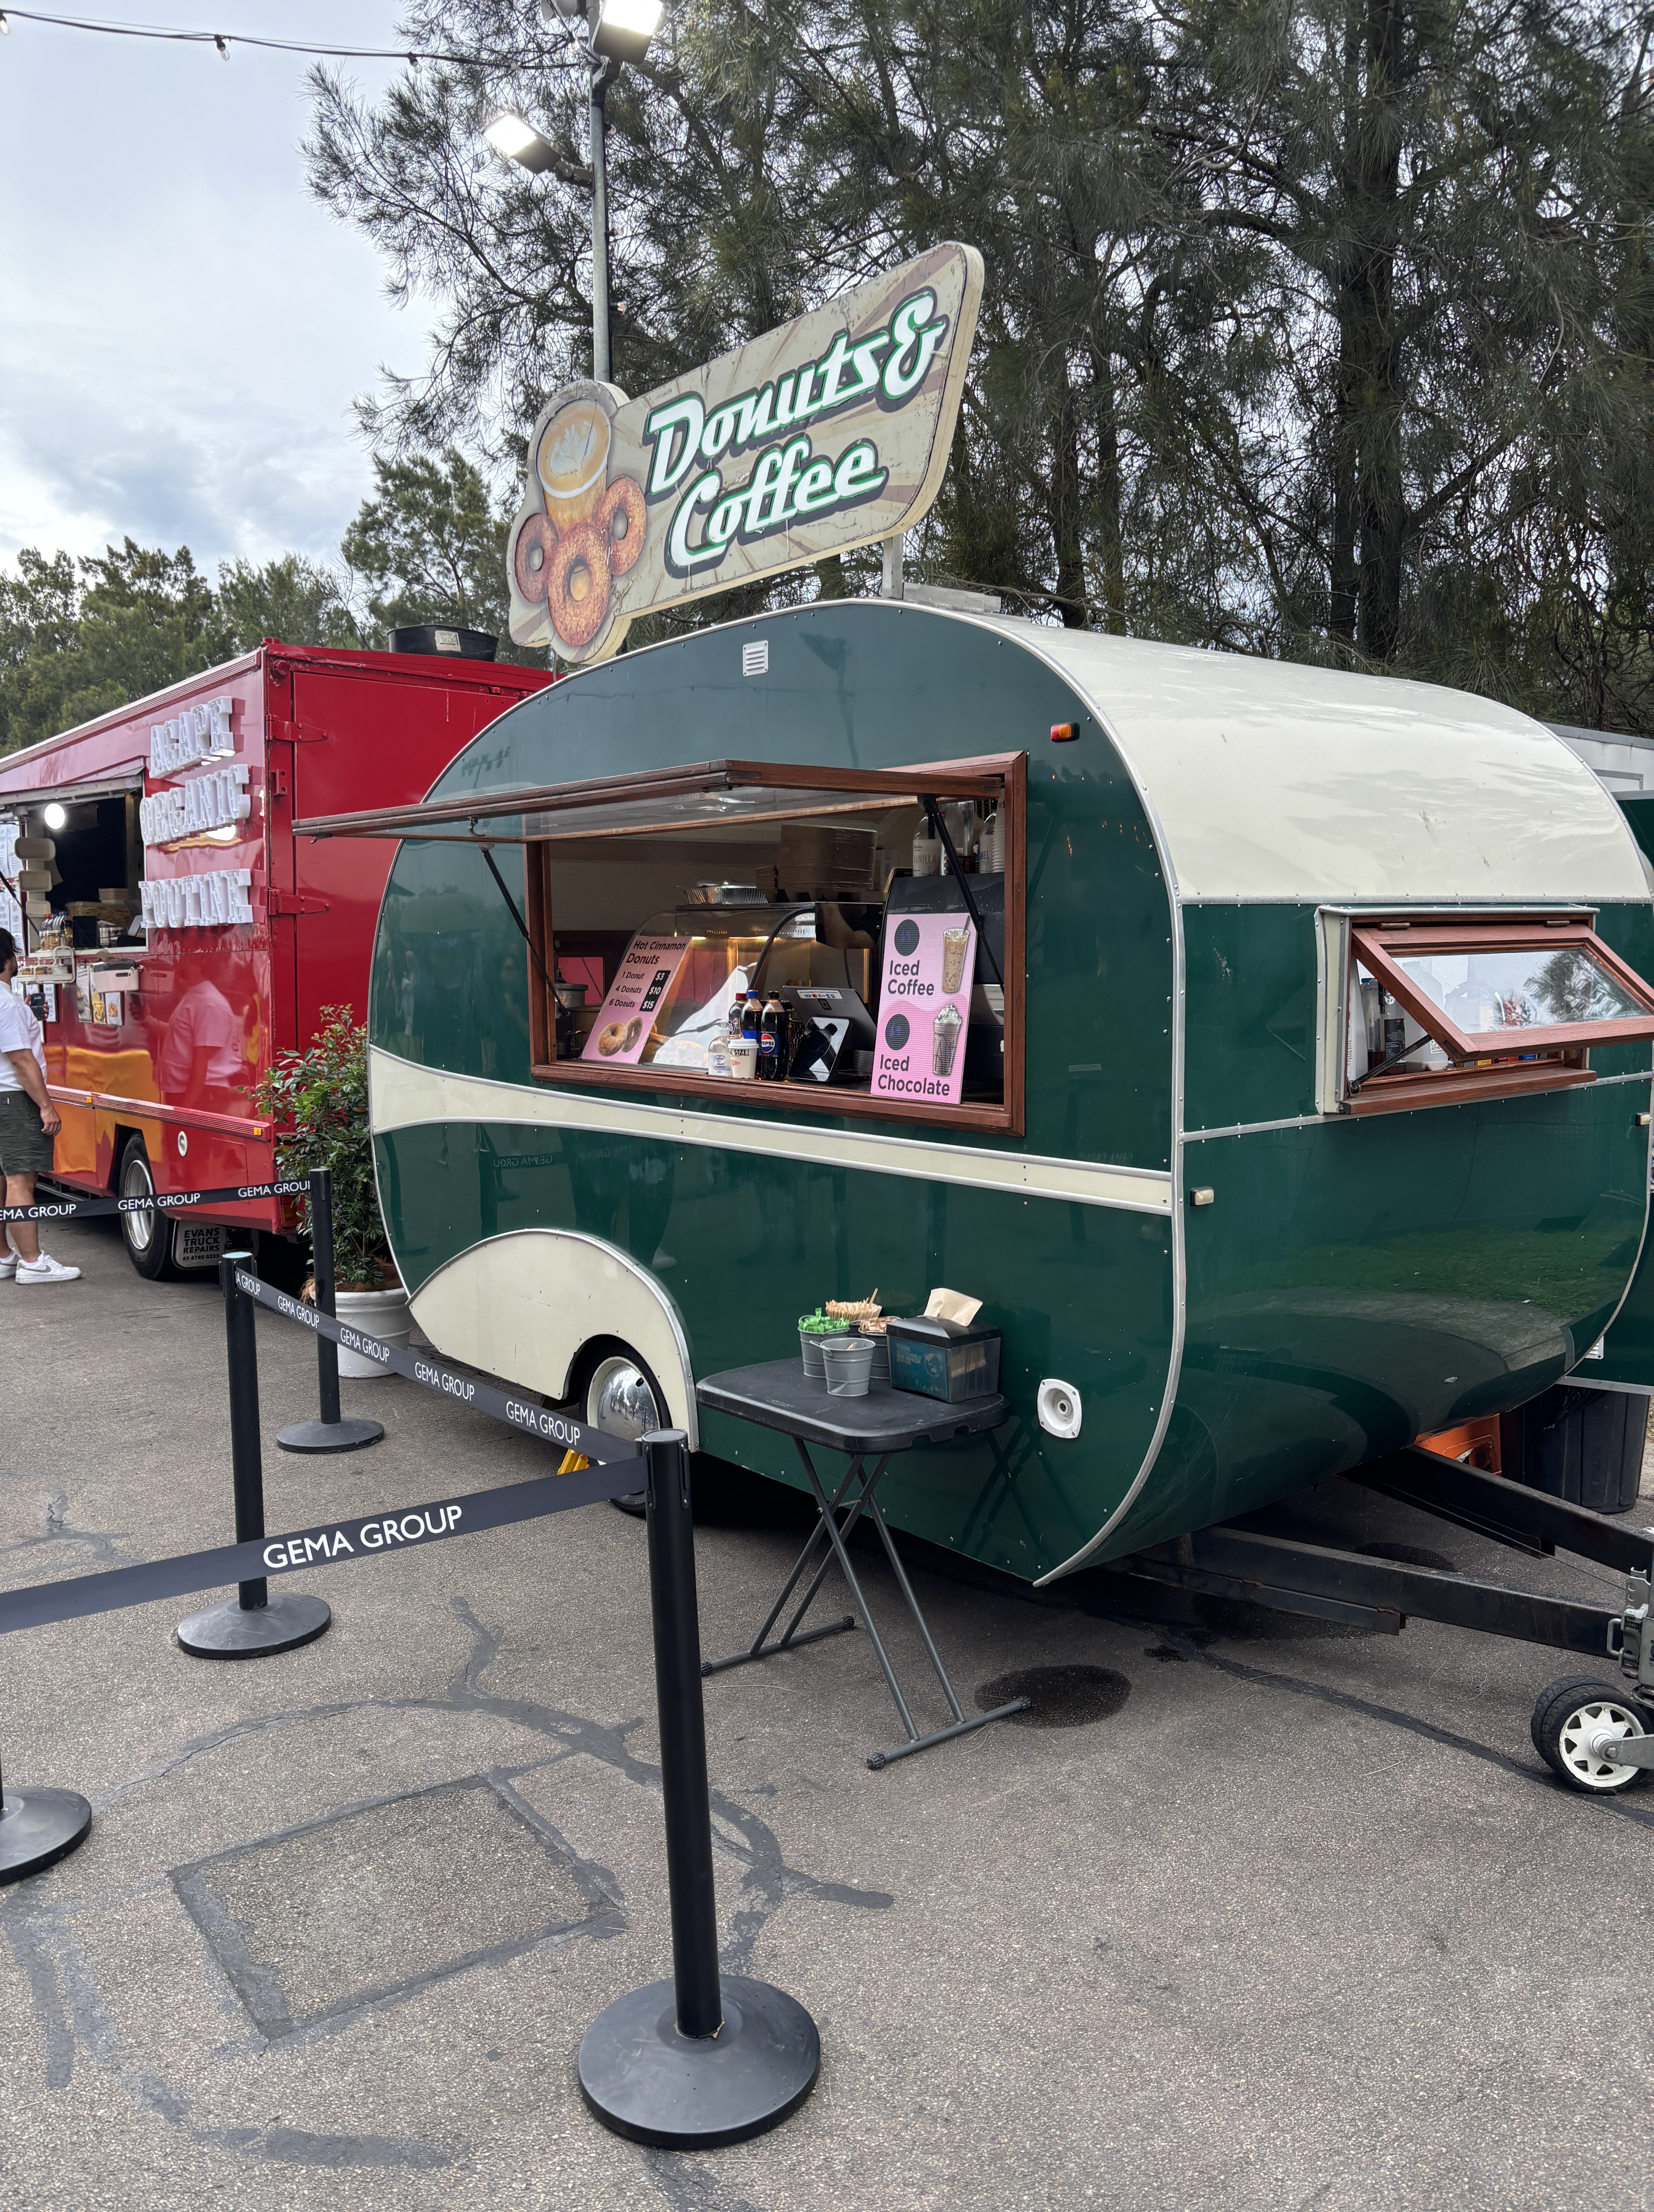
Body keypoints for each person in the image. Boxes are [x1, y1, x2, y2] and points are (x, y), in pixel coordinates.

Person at [0, 929, 82, 1285]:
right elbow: (21, 1060)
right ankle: (32, 1263)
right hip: (13, 1099)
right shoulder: (7, 1004)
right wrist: (46, 1107)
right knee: (21, 1180)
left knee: (4, 1179)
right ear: (8, 960)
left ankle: (4, 1257)